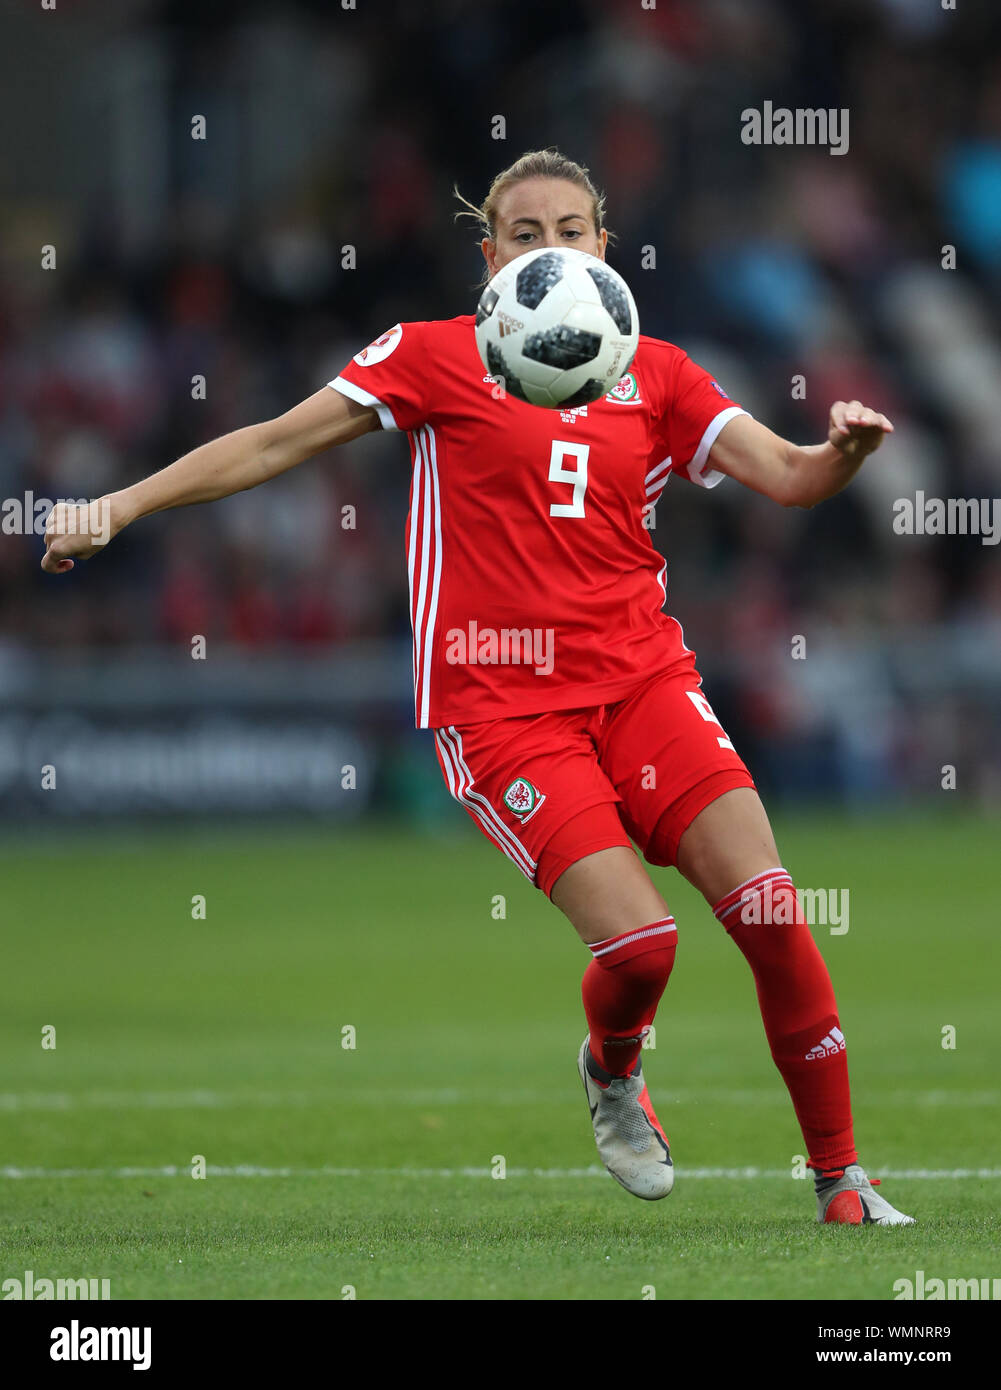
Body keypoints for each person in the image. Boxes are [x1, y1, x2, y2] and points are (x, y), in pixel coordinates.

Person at [42, 149, 912, 1225]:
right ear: (488, 255)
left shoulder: (660, 372)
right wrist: (117, 506)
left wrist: (844, 453)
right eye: (523, 233)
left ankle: (841, 1182)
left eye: (570, 229)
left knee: (771, 910)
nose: (548, 249)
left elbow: (787, 474)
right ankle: (611, 1068)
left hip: (642, 682)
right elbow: (271, 443)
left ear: (604, 246)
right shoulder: (430, 359)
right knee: (641, 947)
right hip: (499, 708)